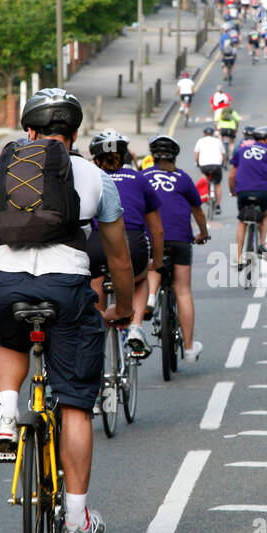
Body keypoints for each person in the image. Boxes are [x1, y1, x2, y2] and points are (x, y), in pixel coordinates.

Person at [0, 88, 133, 533]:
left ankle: (4, 419)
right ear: (75, 134)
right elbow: (118, 258)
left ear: (29, 132)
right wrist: (123, 307)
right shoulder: (97, 179)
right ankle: (76, 521)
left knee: (12, 339)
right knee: (77, 404)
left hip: (2, 286)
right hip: (67, 288)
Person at [87, 130, 163, 358]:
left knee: (95, 278)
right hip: (133, 242)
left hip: (98, 241)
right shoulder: (140, 179)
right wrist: (156, 262)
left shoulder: (90, 178)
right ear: (124, 156)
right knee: (139, 278)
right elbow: (157, 229)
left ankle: (96, 327)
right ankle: (135, 326)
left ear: (96, 158)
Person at [143, 135, 209, 361]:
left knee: (153, 263)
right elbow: (198, 211)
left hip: (151, 238)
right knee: (182, 290)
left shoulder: (143, 177)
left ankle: (151, 296)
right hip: (180, 239)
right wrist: (204, 233)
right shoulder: (184, 179)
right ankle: (189, 348)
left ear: (153, 156)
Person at [230, 125, 267, 264]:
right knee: (264, 215)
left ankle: (239, 257)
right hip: (263, 192)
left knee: (242, 220)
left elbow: (231, 175)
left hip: (243, 191)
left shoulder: (242, 150)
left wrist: (232, 191)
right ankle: (263, 244)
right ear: (266, 140)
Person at [194, 125, 227, 211]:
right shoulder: (218, 141)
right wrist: (223, 164)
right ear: (212, 134)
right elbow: (224, 155)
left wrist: (197, 163)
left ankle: (204, 195)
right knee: (217, 184)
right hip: (217, 165)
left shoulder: (200, 141)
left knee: (204, 179)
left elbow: (197, 155)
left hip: (204, 166)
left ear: (204, 134)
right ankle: (218, 206)